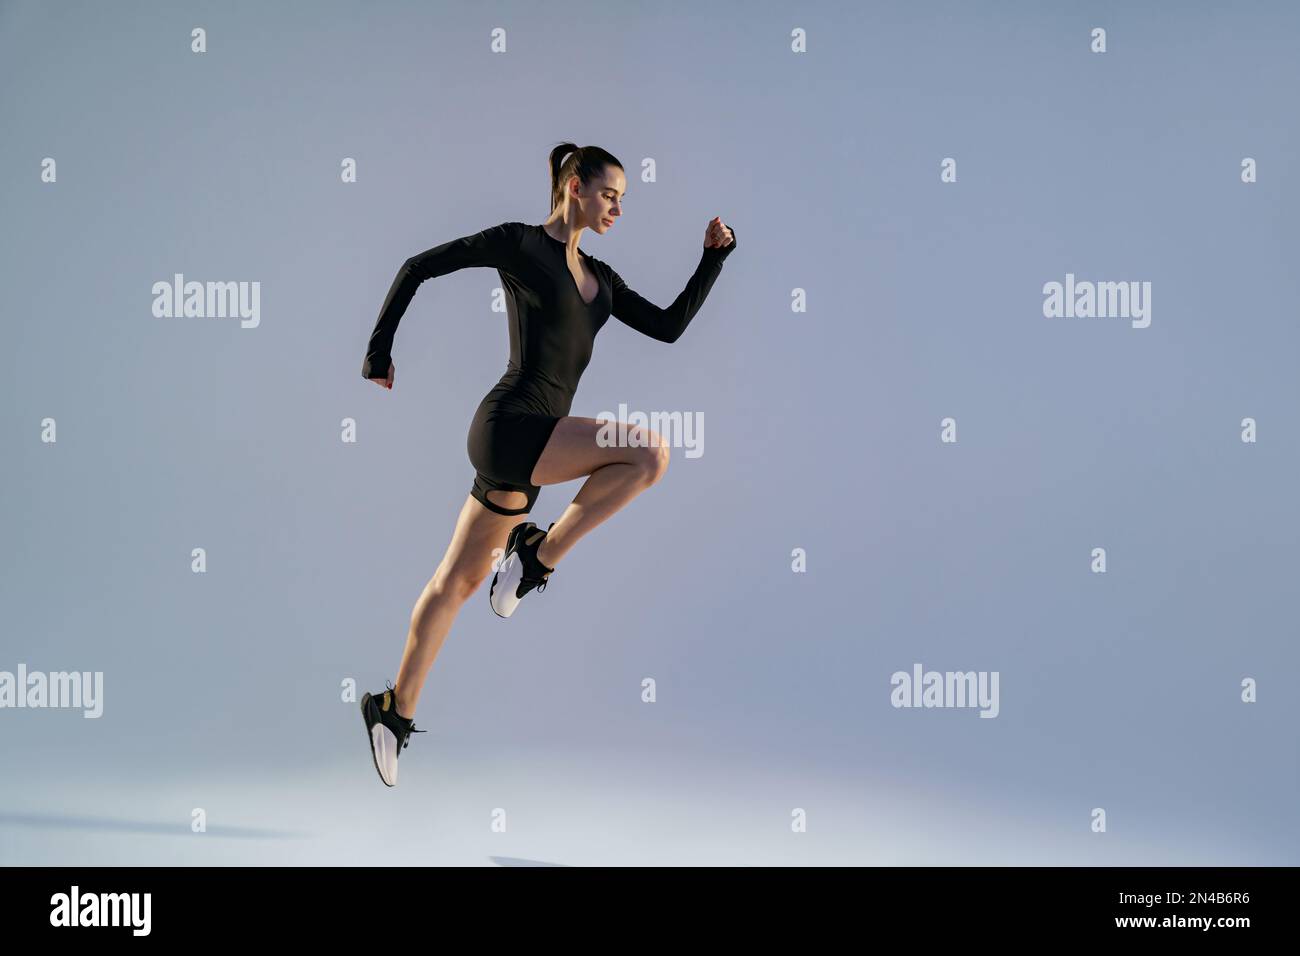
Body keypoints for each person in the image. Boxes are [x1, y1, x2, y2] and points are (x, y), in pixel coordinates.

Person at [359, 143, 736, 786]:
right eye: (609, 193)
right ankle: (535, 557)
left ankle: (392, 709)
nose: (617, 207)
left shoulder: (603, 282)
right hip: (512, 425)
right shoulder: (519, 243)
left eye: (622, 199)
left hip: (529, 453)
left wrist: (713, 260)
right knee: (650, 452)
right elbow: (419, 265)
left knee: (456, 583)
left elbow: (671, 327)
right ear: (574, 185)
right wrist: (378, 350)